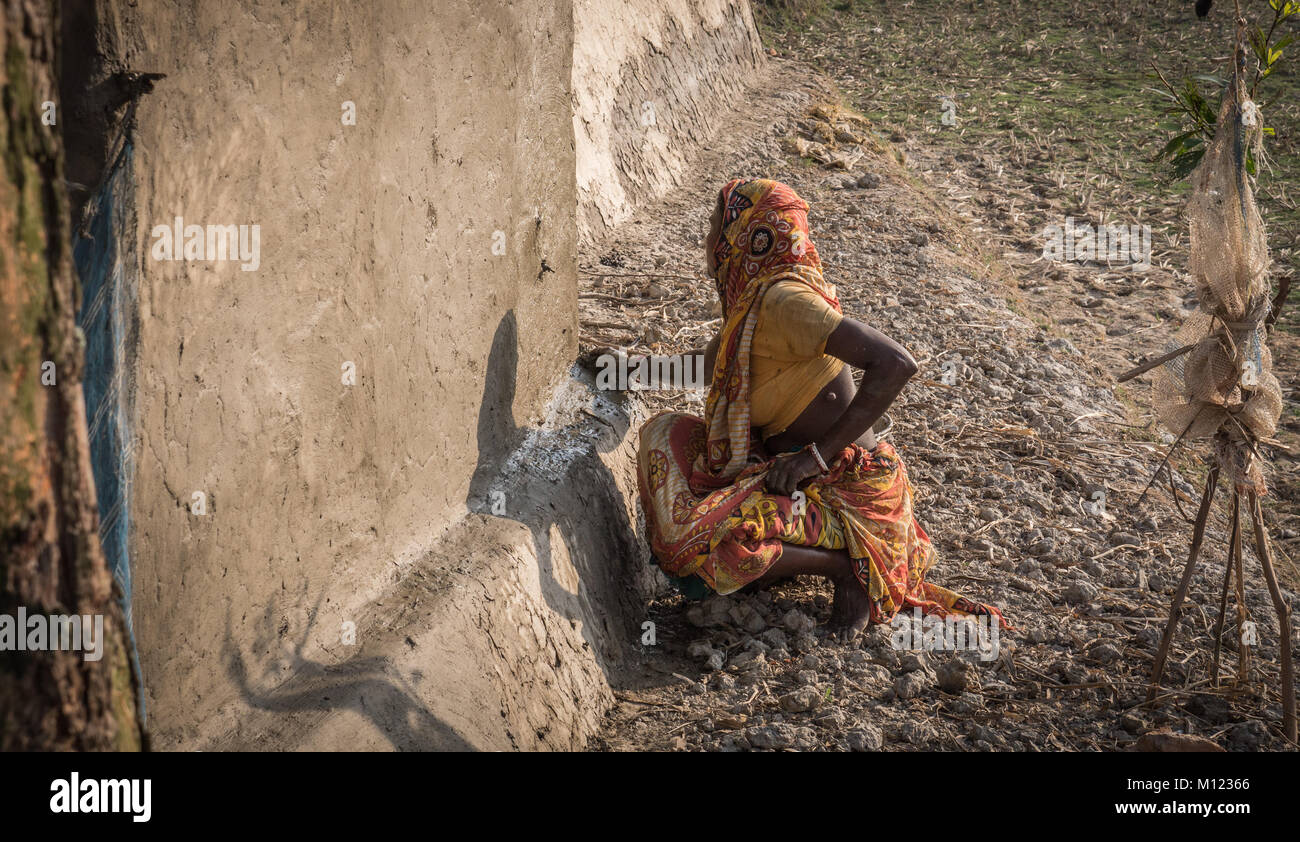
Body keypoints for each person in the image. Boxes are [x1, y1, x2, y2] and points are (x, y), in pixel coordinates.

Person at [636, 178, 1002, 640]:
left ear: (746, 237)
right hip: (796, 480)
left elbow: (896, 364)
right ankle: (785, 558)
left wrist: (816, 456)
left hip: (845, 488)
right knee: (666, 433)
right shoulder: (754, 303)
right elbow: (702, 369)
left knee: (690, 537)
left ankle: (846, 569)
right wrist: (619, 369)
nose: (707, 240)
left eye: (715, 226)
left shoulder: (785, 301)